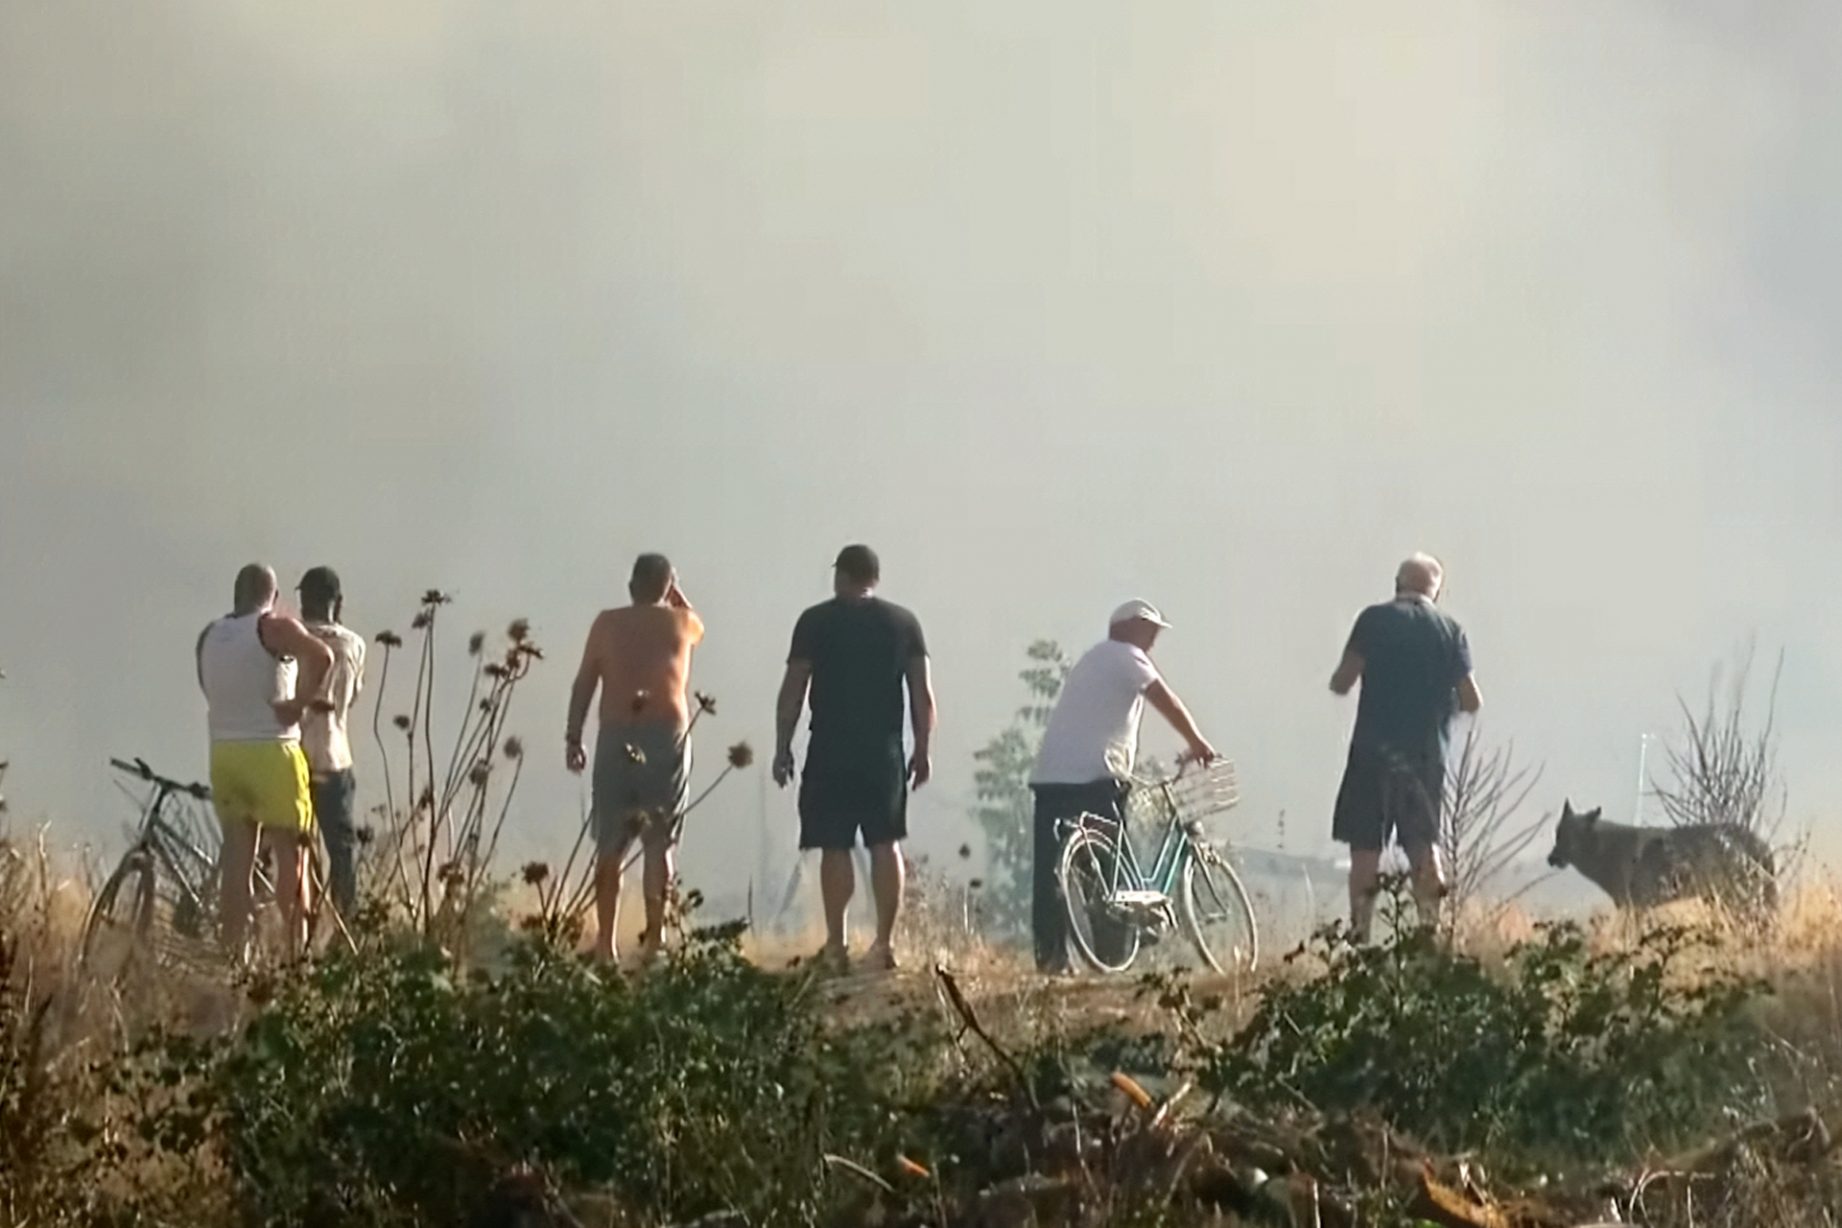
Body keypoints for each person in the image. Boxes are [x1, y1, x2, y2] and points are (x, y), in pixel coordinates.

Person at [1028, 601, 1217, 974]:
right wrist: (1197, 742)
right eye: (1150, 630)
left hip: (1050, 779)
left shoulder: (1092, 659)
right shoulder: (1127, 656)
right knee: (1111, 872)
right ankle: (1113, 957)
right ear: (1130, 627)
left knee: (1050, 872)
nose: (1154, 639)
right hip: (1095, 777)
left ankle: (1051, 960)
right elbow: (1166, 700)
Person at [773, 545, 935, 973]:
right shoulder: (903, 623)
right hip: (883, 750)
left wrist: (782, 747)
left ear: (841, 575)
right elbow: (921, 695)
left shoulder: (815, 622)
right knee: (886, 842)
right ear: (874, 578)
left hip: (831, 746)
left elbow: (793, 691)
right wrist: (922, 749)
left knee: (835, 844)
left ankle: (836, 943)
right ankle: (884, 944)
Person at [1328, 553, 1483, 941]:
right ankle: (1431, 934)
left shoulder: (1373, 620)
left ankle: (1360, 937)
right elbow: (1472, 700)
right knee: (1423, 846)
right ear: (1436, 593)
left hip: (1371, 753)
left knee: (1365, 849)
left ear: (1397, 585)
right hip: (1426, 757)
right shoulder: (1451, 630)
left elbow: (1342, 682)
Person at [565, 554, 704, 966]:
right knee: (659, 843)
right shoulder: (681, 623)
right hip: (666, 736)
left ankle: (605, 944)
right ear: (666, 586)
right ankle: (655, 941)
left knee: (610, 843)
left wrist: (573, 736)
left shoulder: (606, 624)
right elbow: (697, 622)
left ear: (630, 586)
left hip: (616, 734)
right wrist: (674, 590)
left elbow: (584, 682)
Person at [196, 563, 333, 960]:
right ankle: (296, 957)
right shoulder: (272, 628)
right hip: (272, 752)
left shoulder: (210, 635)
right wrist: (297, 704)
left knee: (236, 863)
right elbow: (322, 656)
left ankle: (233, 957)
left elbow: (208, 686)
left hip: (225, 754)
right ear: (272, 597)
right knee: (292, 857)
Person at [297, 566, 367, 923]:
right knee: (341, 853)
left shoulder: (288, 641)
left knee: (274, 845)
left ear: (303, 601)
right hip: (334, 758)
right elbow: (351, 697)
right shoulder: (354, 645)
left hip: (292, 756)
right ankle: (347, 927)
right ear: (338, 603)